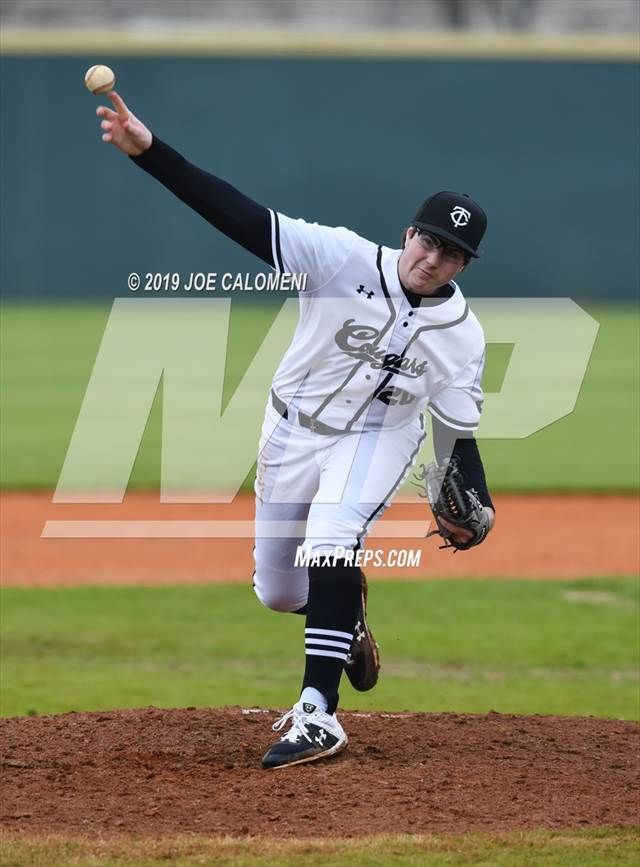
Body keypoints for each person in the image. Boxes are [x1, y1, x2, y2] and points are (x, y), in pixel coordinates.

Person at [95, 91, 495, 770]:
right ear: (409, 233)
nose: (434, 257)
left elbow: (457, 435)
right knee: (279, 590)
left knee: (332, 541)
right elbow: (237, 214)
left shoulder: (462, 336)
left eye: (452, 251)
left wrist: (478, 503)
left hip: (375, 437)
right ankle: (348, 614)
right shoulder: (338, 258)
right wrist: (148, 152)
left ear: (464, 265)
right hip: (289, 430)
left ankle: (318, 712)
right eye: (430, 239)